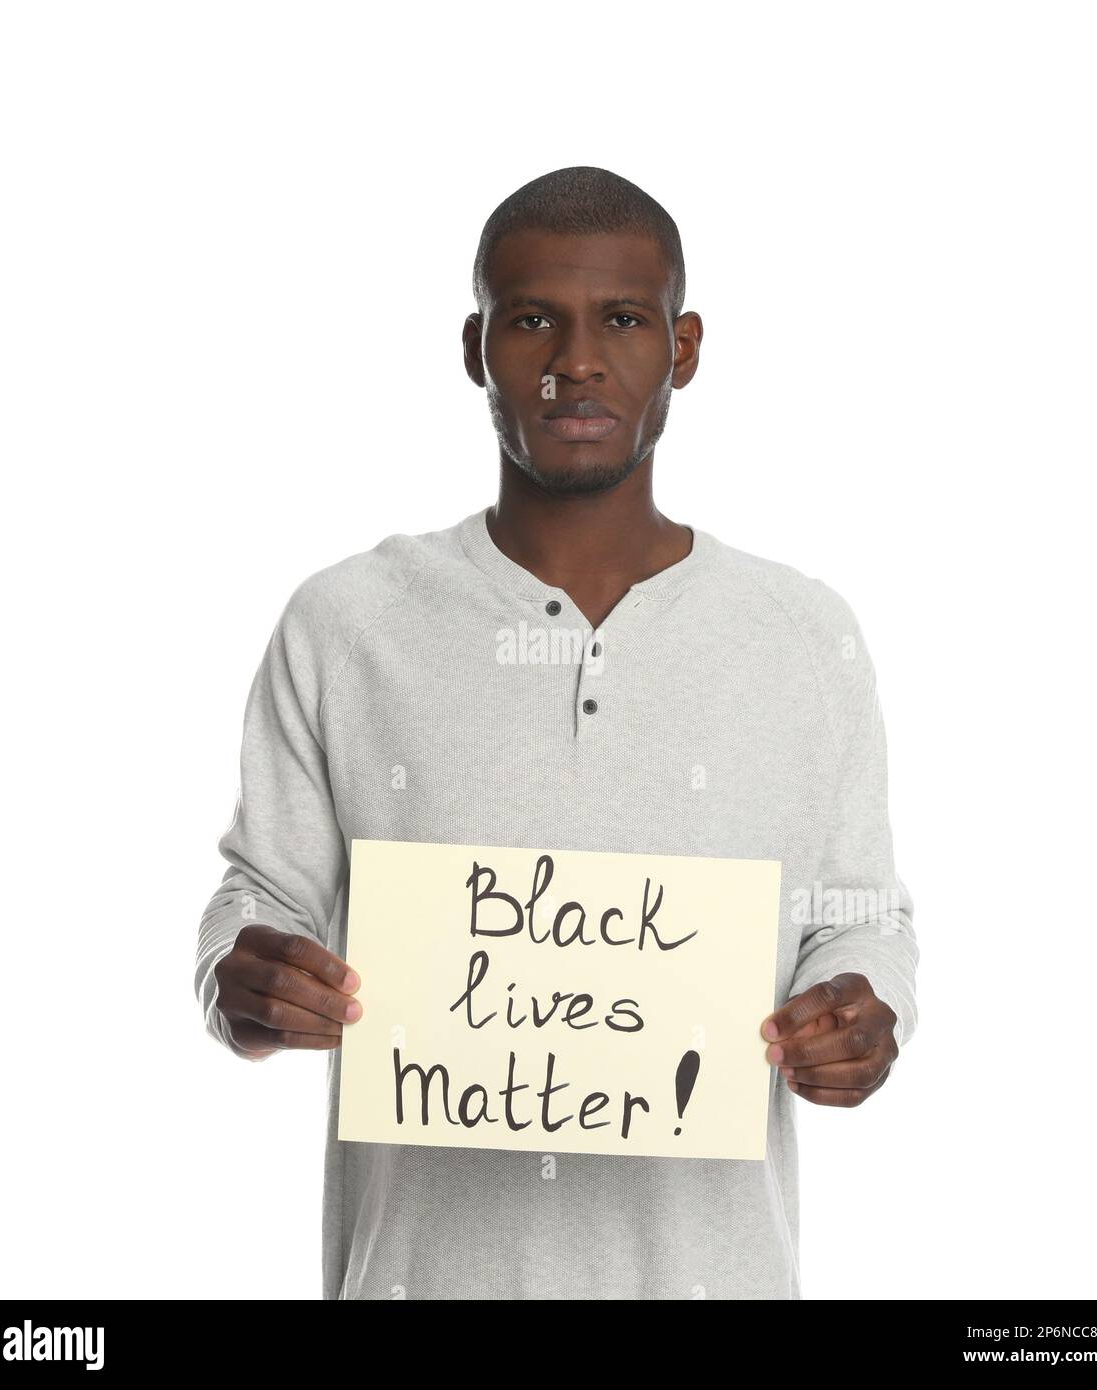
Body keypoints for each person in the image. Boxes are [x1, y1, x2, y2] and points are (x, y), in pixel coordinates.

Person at [194, 166, 918, 1300]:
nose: (575, 359)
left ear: (681, 349)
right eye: (531, 319)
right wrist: (237, 981)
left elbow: (858, 913)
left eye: (621, 320)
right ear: (475, 346)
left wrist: (866, 1009)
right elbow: (261, 895)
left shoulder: (801, 637)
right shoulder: (346, 624)